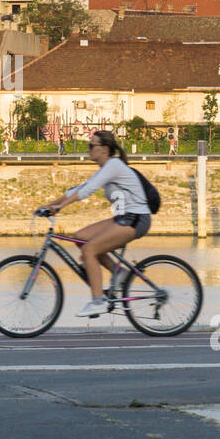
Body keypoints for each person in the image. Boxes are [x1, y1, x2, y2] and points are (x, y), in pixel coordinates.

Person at [37, 130, 151, 318]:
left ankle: (98, 300)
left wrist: (59, 208)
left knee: (89, 250)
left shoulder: (114, 165)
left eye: (91, 145)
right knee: (81, 238)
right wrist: (49, 205)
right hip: (123, 218)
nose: (88, 149)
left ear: (104, 149)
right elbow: (78, 189)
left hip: (136, 218)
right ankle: (118, 272)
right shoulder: (105, 169)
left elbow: (87, 191)